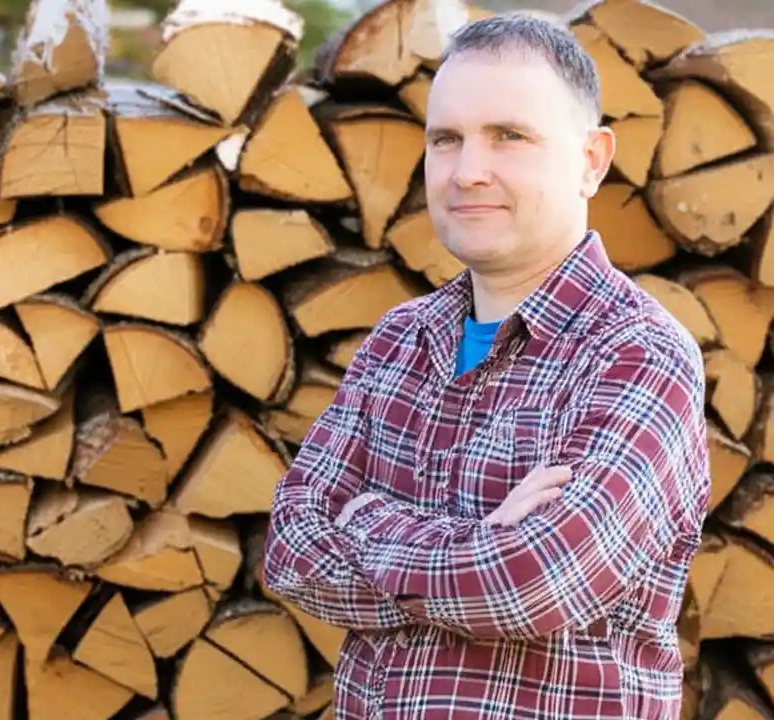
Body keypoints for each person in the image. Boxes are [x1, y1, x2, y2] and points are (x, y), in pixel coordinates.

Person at [262, 12, 710, 720]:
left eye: (510, 136)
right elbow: (290, 550)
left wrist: (367, 520)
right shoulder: (397, 342)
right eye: (447, 139)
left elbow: (534, 580)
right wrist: (473, 542)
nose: (469, 170)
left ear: (592, 159)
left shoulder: (639, 355)